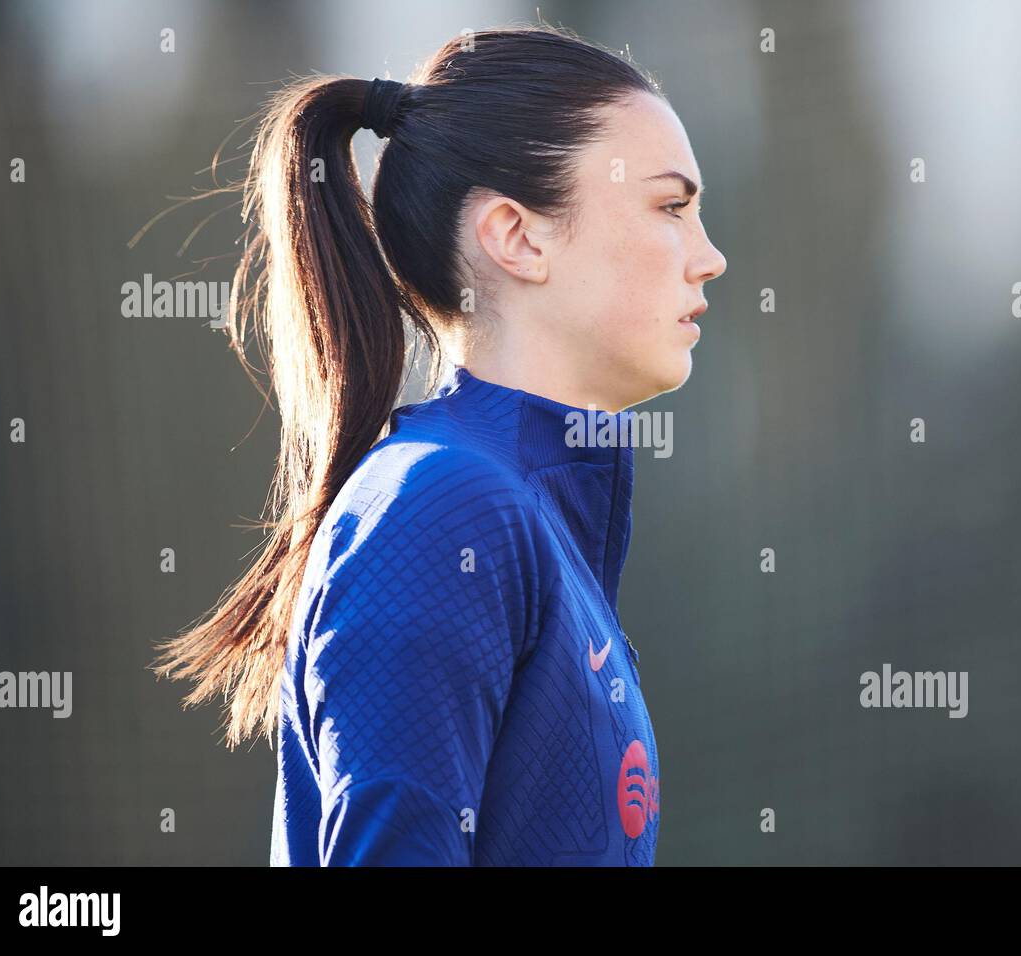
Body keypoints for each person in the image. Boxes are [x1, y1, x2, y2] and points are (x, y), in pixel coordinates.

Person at [151, 24, 727, 865]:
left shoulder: (519, 512)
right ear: (517, 236)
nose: (709, 258)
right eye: (671, 206)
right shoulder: (442, 511)